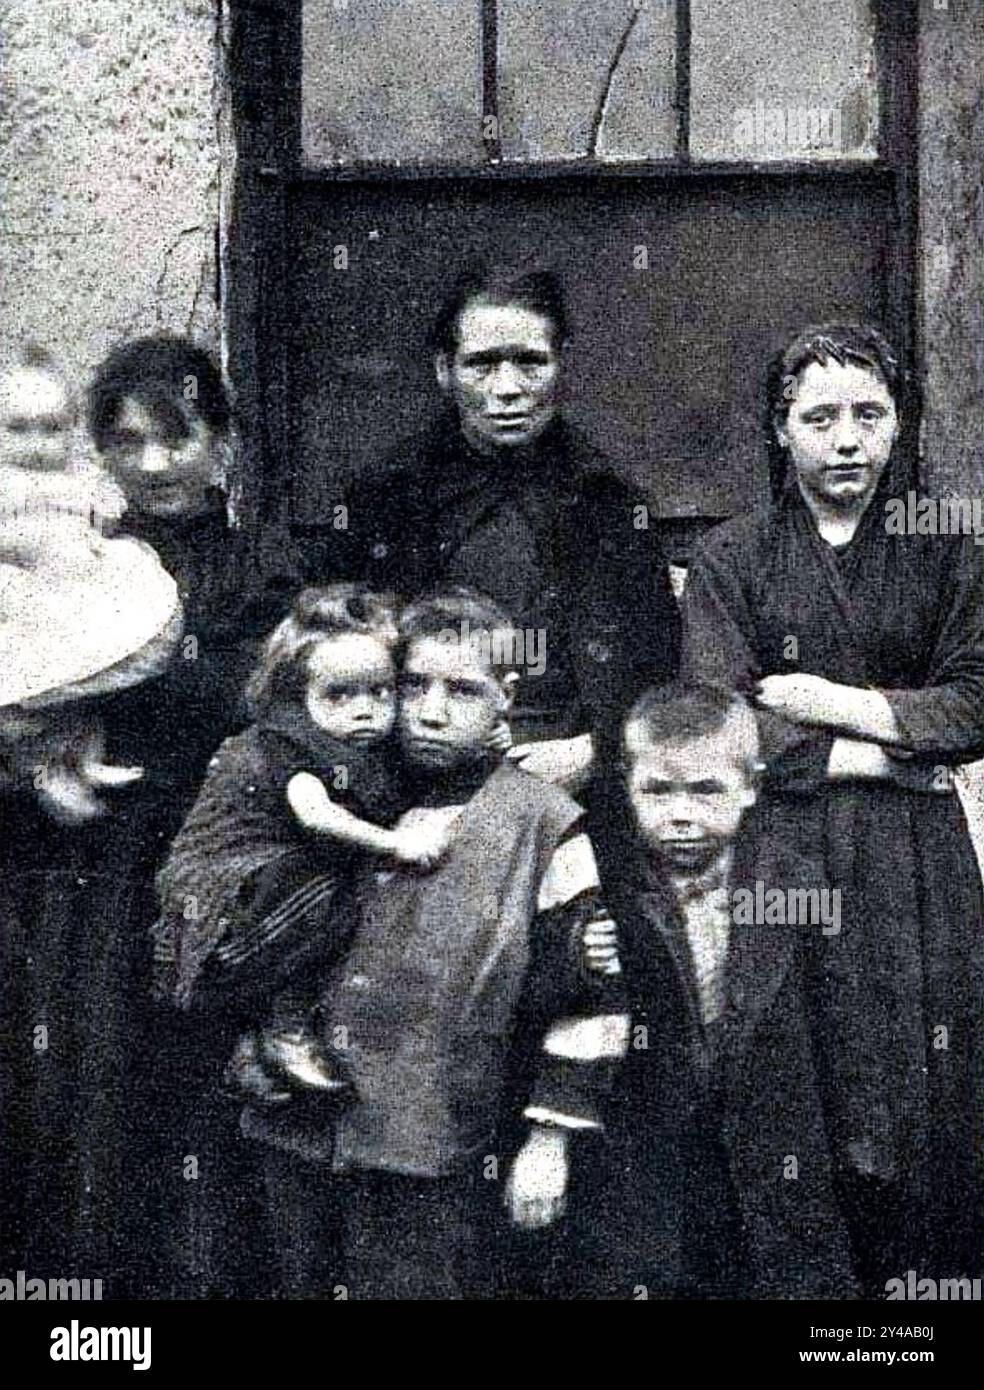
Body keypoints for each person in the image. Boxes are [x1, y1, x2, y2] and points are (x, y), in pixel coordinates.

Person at [164, 588, 627, 1299]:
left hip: (429, 1146)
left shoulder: (543, 822)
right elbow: (246, 936)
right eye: (414, 685)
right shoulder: (334, 793)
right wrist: (252, 1038)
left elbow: (593, 993)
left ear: (506, 698)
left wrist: (552, 1140)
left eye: (464, 690)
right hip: (292, 1131)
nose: (433, 710)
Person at [679, 323, 984, 1294]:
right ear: (780, 432)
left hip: (914, 860)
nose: (846, 439)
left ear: (899, 424)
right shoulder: (733, 557)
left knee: (921, 1087)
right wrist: (879, 753)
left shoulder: (947, 543)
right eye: (819, 418)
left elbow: (974, 700)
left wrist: (832, 702)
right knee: (786, 1073)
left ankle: (911, 1317)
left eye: (869, 414)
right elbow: (722, 714)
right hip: (787, 853)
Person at [0, 334, 278, 1297]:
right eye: (126, 443)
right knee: (76, 1107)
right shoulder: (71, 566)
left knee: (194, 1119)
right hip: (82, 885)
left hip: (209, 877)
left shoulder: (265, 578)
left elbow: (260, 717)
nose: (155, 464)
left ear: (225, 444)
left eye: (179, 438)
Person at [320, 264, 679, 869]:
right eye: (482, 364)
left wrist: (598, 751)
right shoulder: (385, 500)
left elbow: (658, 666)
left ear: (560, 365)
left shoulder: (612, 505)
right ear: (444, 371)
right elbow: (335, 652)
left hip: (574, 784)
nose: (507, 388)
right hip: (414, 788)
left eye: (529, 363)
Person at [569, 685, 858, 1299]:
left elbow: (842, 1011)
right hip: (647, 1152)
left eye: (706, 791)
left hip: (775, 1143)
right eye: (657, 790)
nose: (681, 814)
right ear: (626, 785)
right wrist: (578, 955)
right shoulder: (603, 888)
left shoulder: (796, 884)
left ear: (751, 785)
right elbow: (552, 998)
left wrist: (857, 1136)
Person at [155, 582, 481, 1101]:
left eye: (381, 692)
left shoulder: (352, 747)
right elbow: (316, 814)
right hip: (227, 896)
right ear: (296, 696)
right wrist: (395, 843)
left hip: (266, 892)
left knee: (345, 898)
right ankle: (283, 1026)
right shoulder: (288, 745)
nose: (365, 711)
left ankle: (259, 1044)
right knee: (339, 889)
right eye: (340, 695)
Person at [0, 342, 182, 820]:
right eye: (19, 429)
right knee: (25, 703)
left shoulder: (81, 479)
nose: (37, 444)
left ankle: (84, 761)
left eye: (52, 429)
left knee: (82, 697)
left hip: (71, 607)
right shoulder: (4, 484)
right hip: (20, 609)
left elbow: (106, 514)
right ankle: (43, 772)